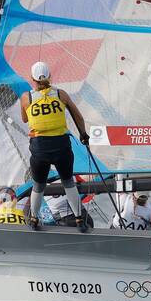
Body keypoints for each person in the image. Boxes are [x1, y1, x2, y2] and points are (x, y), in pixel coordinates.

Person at [19, 61, 88, 231]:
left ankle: (34, 220)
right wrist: (83, 134)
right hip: (61, 147)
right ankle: (80, 220)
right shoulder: (61, 94)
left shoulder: (26, 97)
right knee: (68, 182)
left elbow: (25, 119)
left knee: (38, 185)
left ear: (32, 79)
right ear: (50, 77)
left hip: (40, 149)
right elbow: (78, 117)